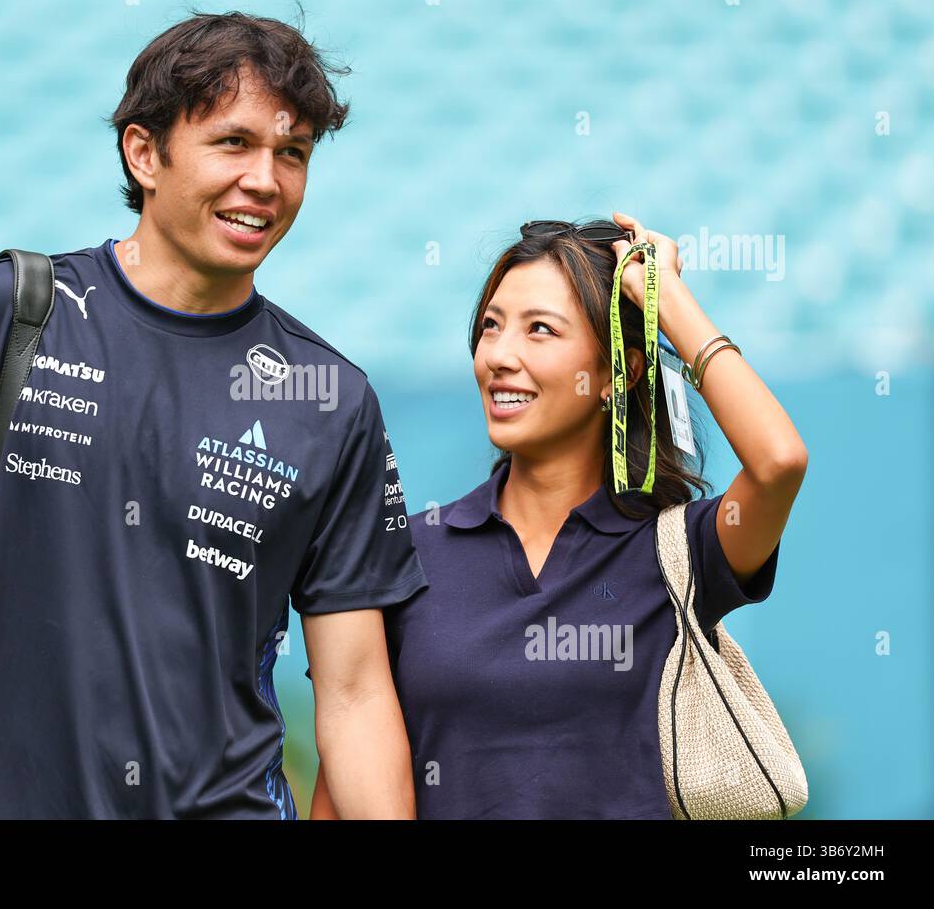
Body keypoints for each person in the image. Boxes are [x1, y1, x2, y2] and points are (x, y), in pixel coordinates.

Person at [0, 11, 427, 819]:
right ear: (144, 152)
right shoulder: (4, 313)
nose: (266, 180)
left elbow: (358, 694)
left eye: (291, 154)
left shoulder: (330, 396)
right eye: (233, 143)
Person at [310, 214, 807, 819]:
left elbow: (778, 462)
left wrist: (665, 297)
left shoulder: (681, 550)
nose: (500, 355)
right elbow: (343, 781)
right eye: (491, 328)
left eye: (539, 330)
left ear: (613, 373)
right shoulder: (408, 549)